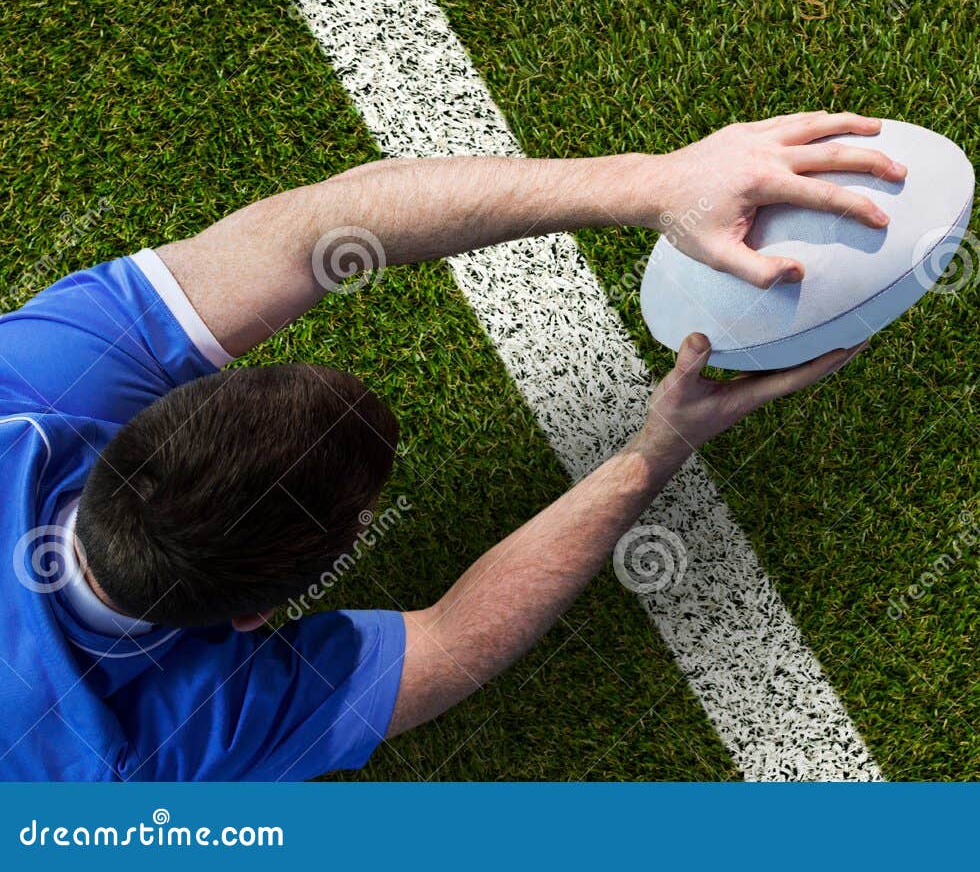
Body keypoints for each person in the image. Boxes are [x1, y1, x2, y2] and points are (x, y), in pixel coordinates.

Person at [0, 112, 907, 780]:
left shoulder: (25, 390)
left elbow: (315, 234)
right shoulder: (156, 764)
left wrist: (656, 183)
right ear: (253, 620)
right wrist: (652, 450)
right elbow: (450, 642)